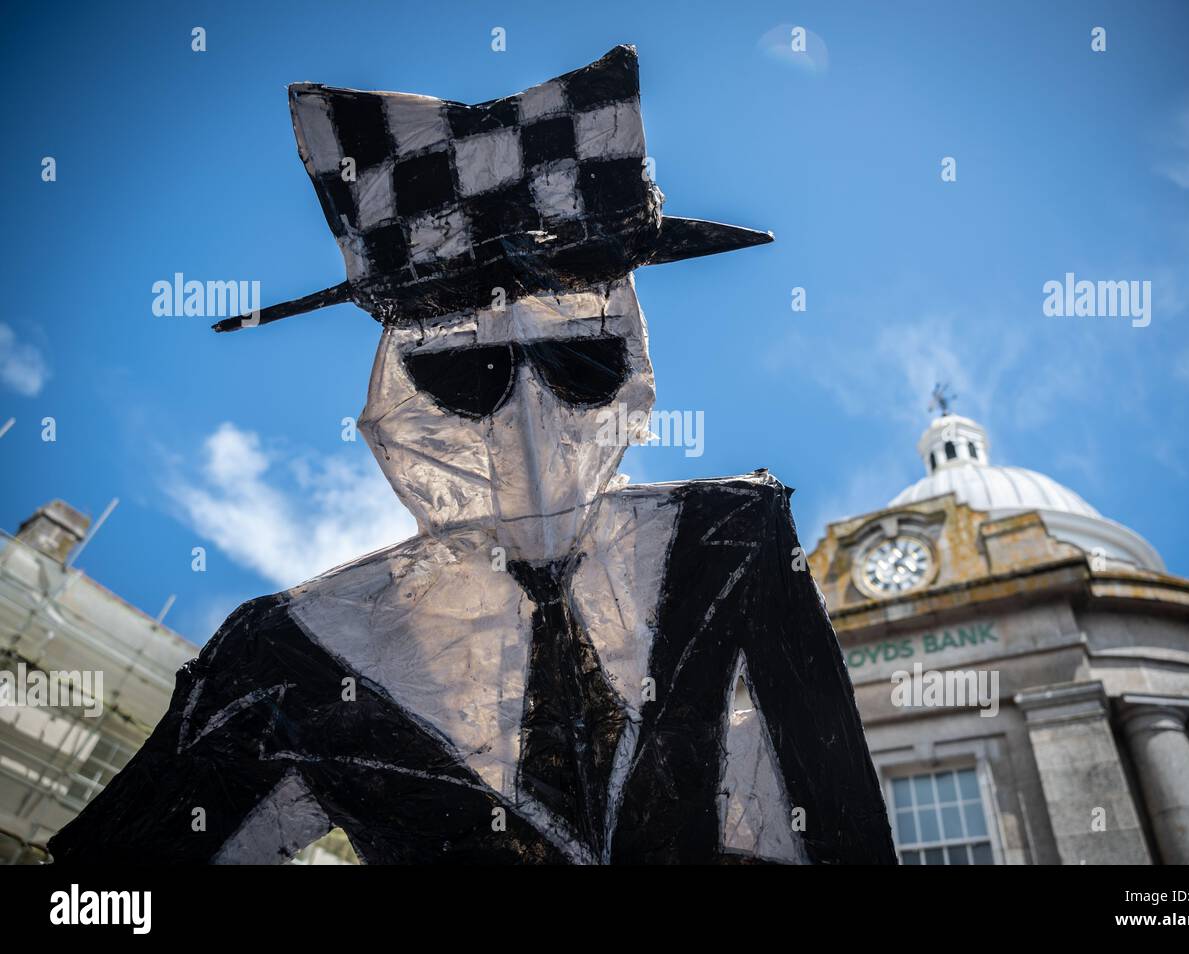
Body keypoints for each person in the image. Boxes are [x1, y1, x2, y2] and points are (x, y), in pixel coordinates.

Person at [51, 45, 895, 864]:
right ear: (401, 390)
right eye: (469, 372)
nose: (528, 422)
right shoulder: (287, 657)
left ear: (629, 355)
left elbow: (843, 829)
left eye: (579, 361)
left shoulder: (732, 546)